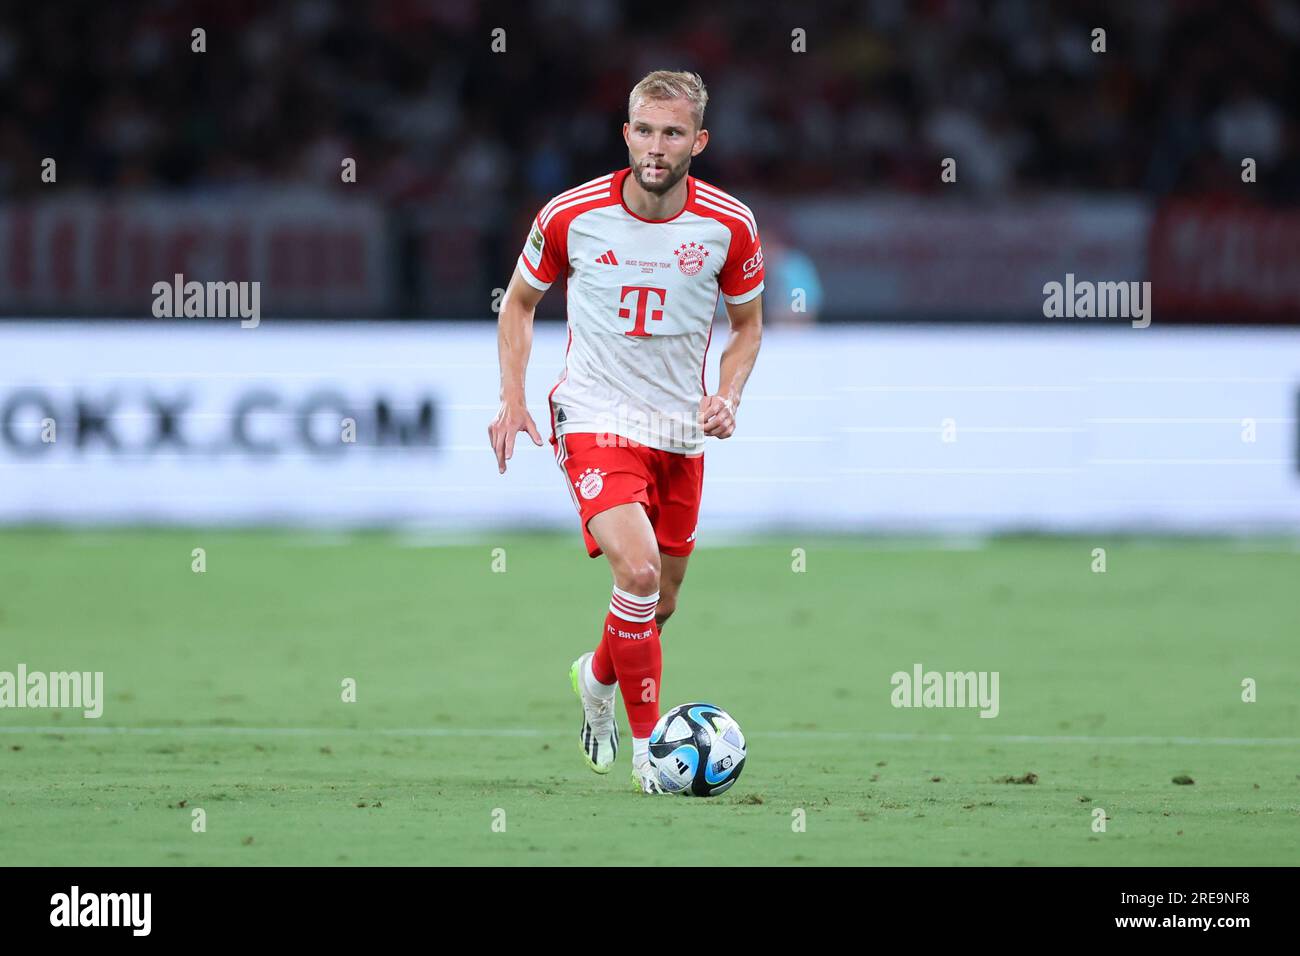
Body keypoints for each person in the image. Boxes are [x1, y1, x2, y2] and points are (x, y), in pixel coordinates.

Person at [488, 70, 764, 793]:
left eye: (673, 133)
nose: (656, 145)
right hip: (593, 417)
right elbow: (518, 304)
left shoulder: (728, 225)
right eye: (644, 129)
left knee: (660, 601)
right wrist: (512, 397)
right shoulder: (572, 215)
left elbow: (747, 325)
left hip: (678, 429)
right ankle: (650, 757)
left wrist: (728, 393)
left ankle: (596, 675)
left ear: (698, 142)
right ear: (626, 133)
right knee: (636, 574)